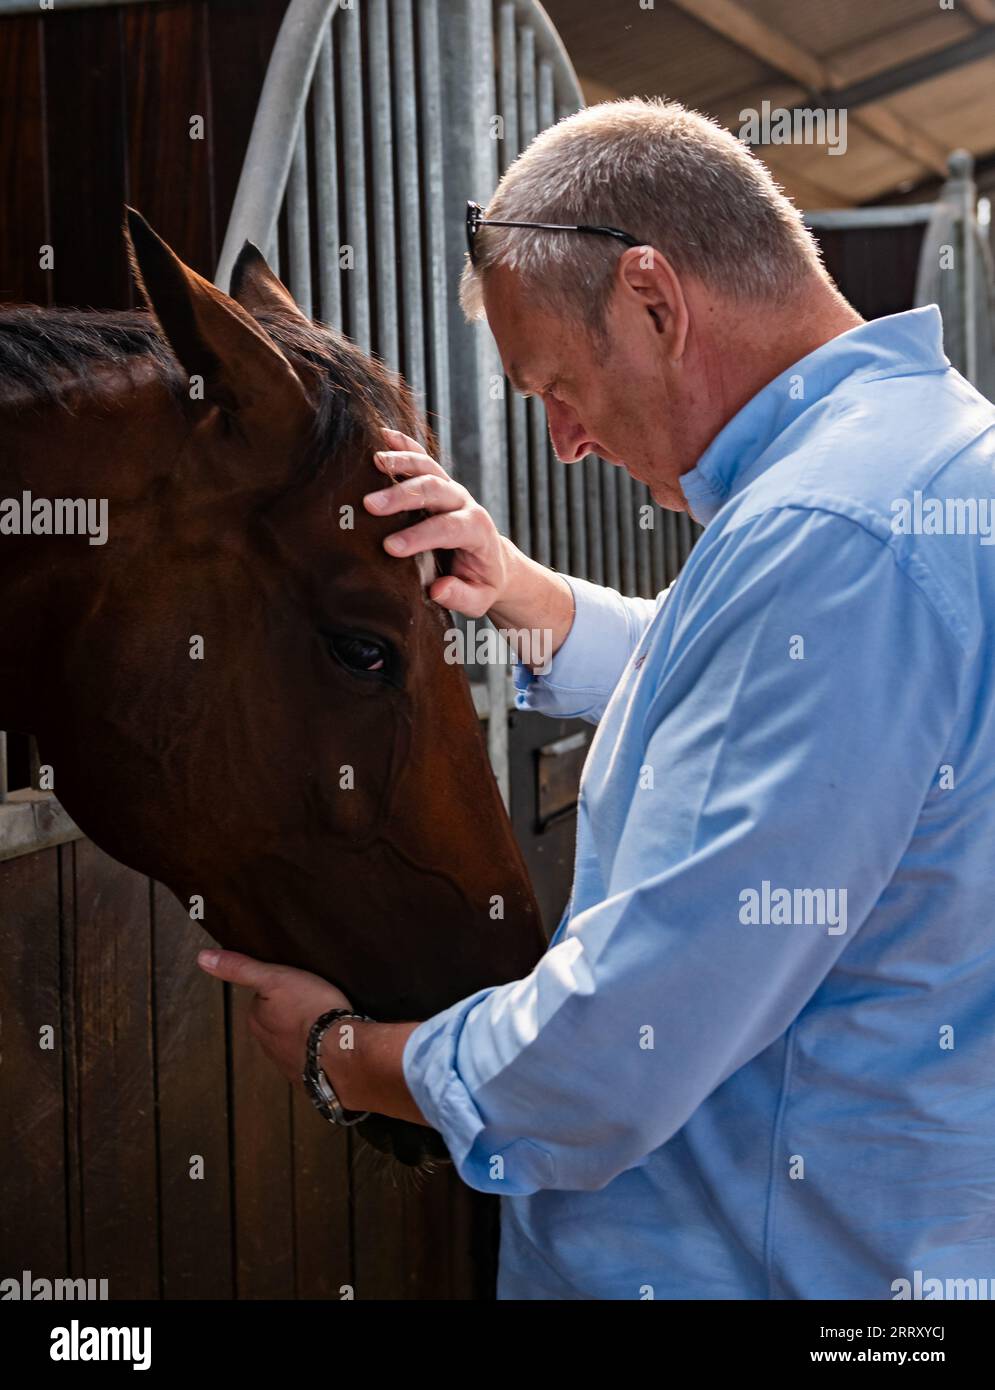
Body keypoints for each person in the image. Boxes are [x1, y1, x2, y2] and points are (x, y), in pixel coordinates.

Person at [199, 98, 995, 1300]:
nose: (561, 443)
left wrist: (346, 1057)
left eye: (555, 384)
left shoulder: (826, 540)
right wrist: (523, 593)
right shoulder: (926, 466)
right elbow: (782, 715)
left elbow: (621, 1042)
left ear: (653, 300)